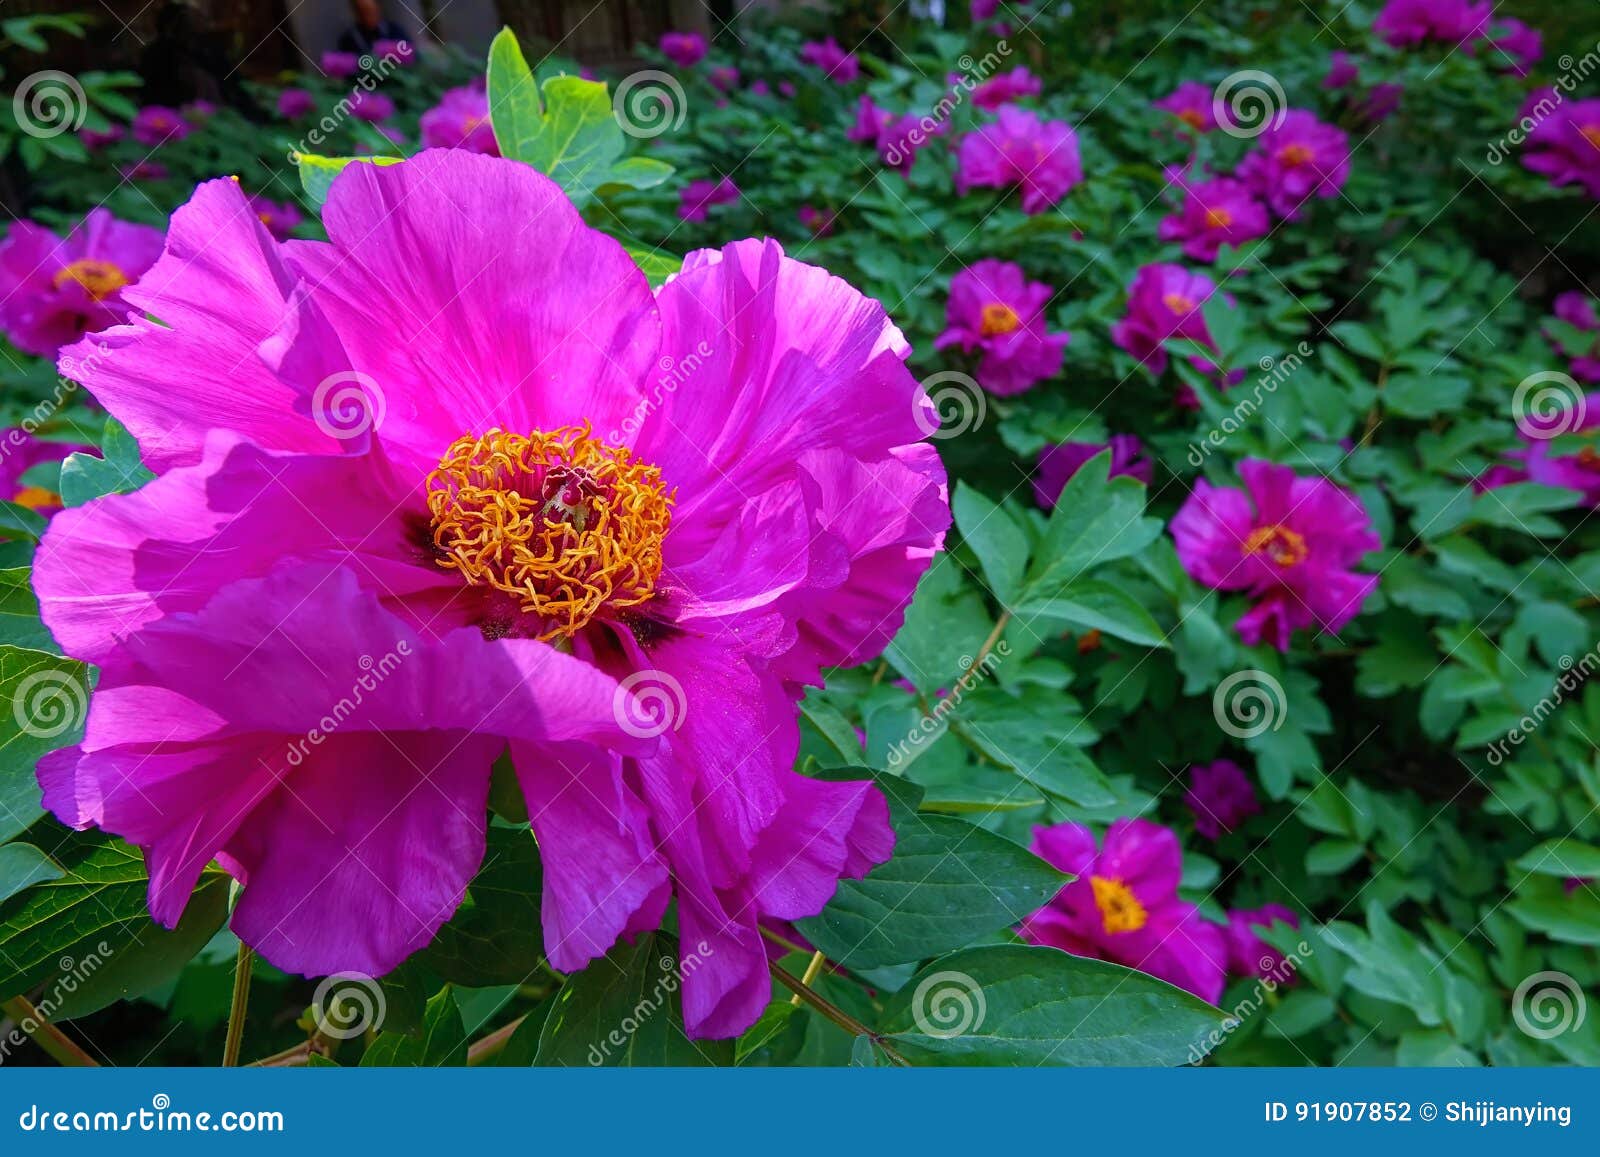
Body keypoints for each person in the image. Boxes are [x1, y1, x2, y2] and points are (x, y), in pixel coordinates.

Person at [337, 0, 408, 56]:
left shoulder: (394, 30)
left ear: (377, 8)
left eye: (371, 10)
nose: (368, 16)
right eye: (363, 11)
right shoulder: (349, 40)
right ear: (356, 13)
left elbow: (409, 52)